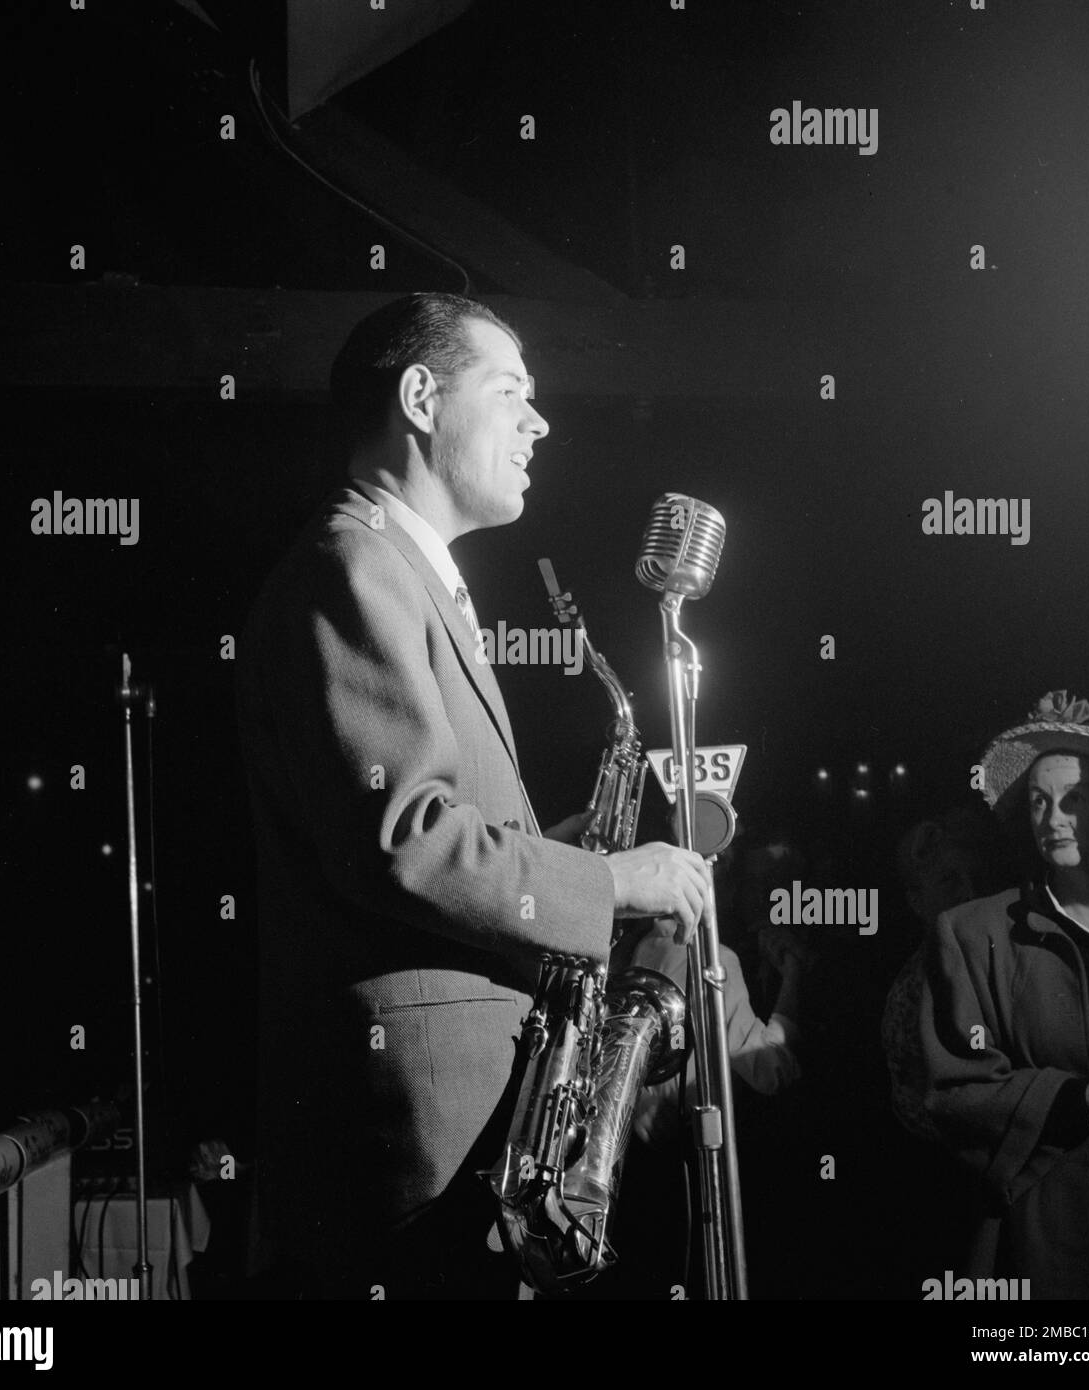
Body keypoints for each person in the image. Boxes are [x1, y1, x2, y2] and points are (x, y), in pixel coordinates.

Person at [236, 292, 709, 1299]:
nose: (539, 424)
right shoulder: (355, 566)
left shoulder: (402, 571)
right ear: (419, 396)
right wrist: (609, 879)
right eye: (511, 394)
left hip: (465, 1131)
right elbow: (404, 837)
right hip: (417, 1139)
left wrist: (563, 851)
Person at [913, 691, 1089, 1299]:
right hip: (1043, 1244)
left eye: (1075, 800)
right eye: (1040, 802)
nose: (1053, 819)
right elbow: (952, 1094)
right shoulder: (974, 933)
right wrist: (1078, 1097)